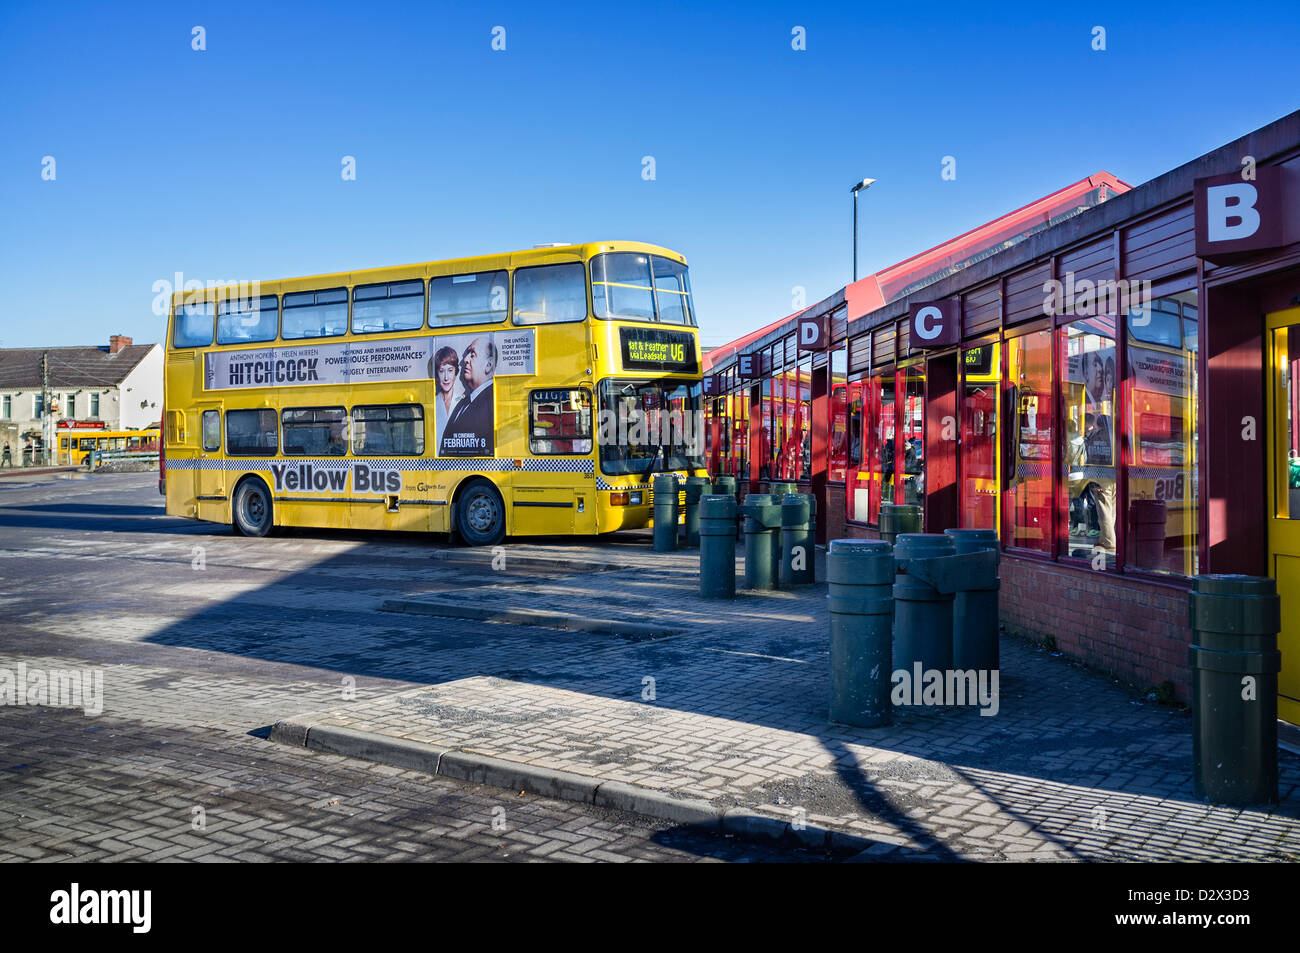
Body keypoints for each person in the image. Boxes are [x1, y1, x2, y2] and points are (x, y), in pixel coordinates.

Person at [440, 334, 496, 456]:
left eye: (472, 354)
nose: (464, 359)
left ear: (488, 365)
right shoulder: (464, 402)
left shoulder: (493, 399)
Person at [431, 345, 462, 451]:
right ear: (437, 374)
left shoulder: (464, 402)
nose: (446, 377)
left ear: (455, 372)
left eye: (450, 370)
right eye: (441, 371)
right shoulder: (432, 403)